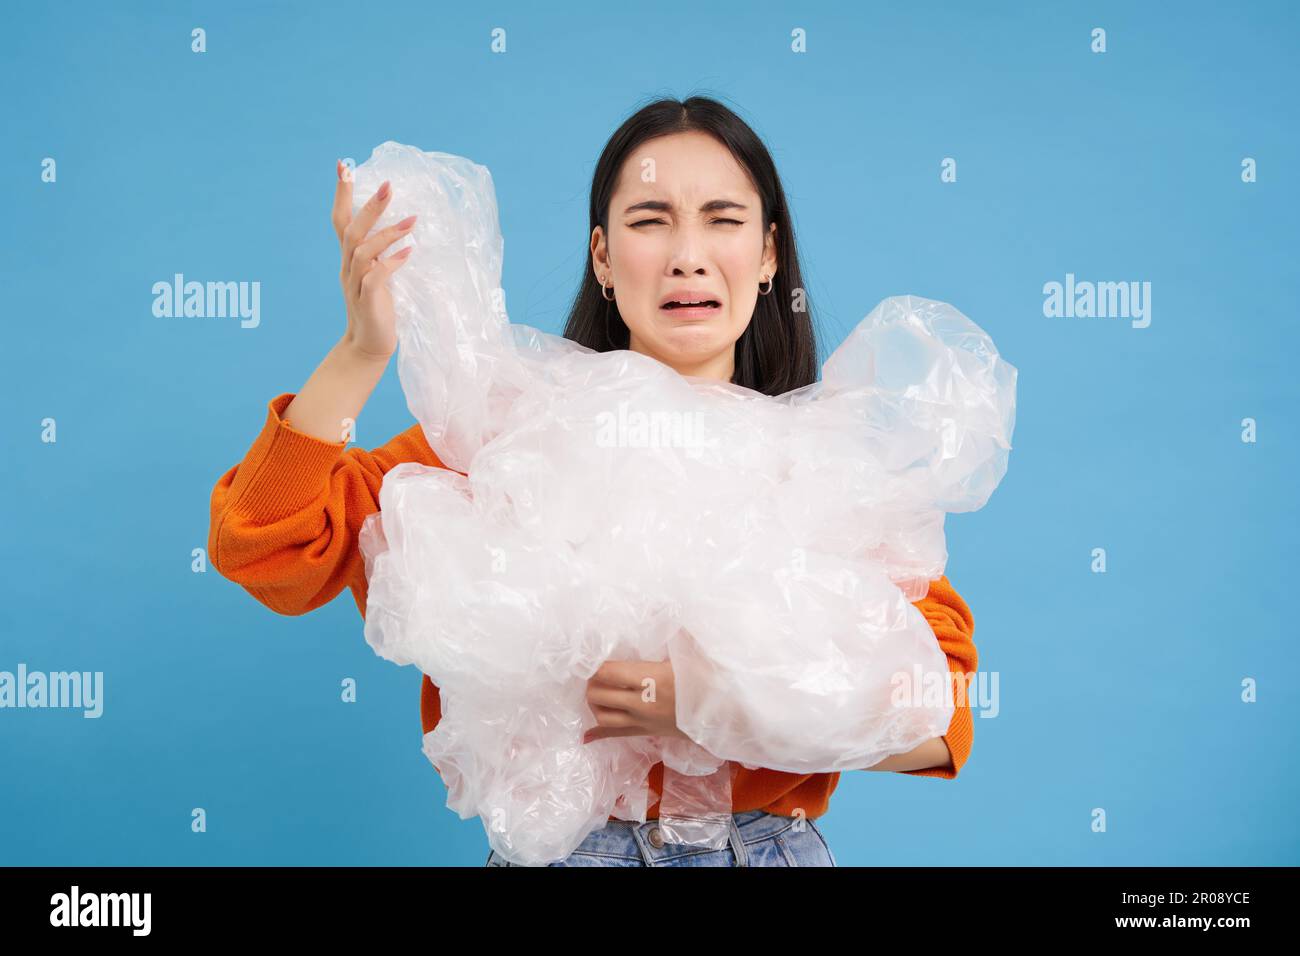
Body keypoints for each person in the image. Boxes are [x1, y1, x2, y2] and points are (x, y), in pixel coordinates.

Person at [207, 95, 978, 867]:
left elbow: (937, 722)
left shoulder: (829, 466)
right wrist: (361, 351)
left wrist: (714, 704)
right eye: (650, 220)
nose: (688, 254)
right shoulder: (507, 435)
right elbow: (264, 544)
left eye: (722, 218)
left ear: (769, 254)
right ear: (603, 257)